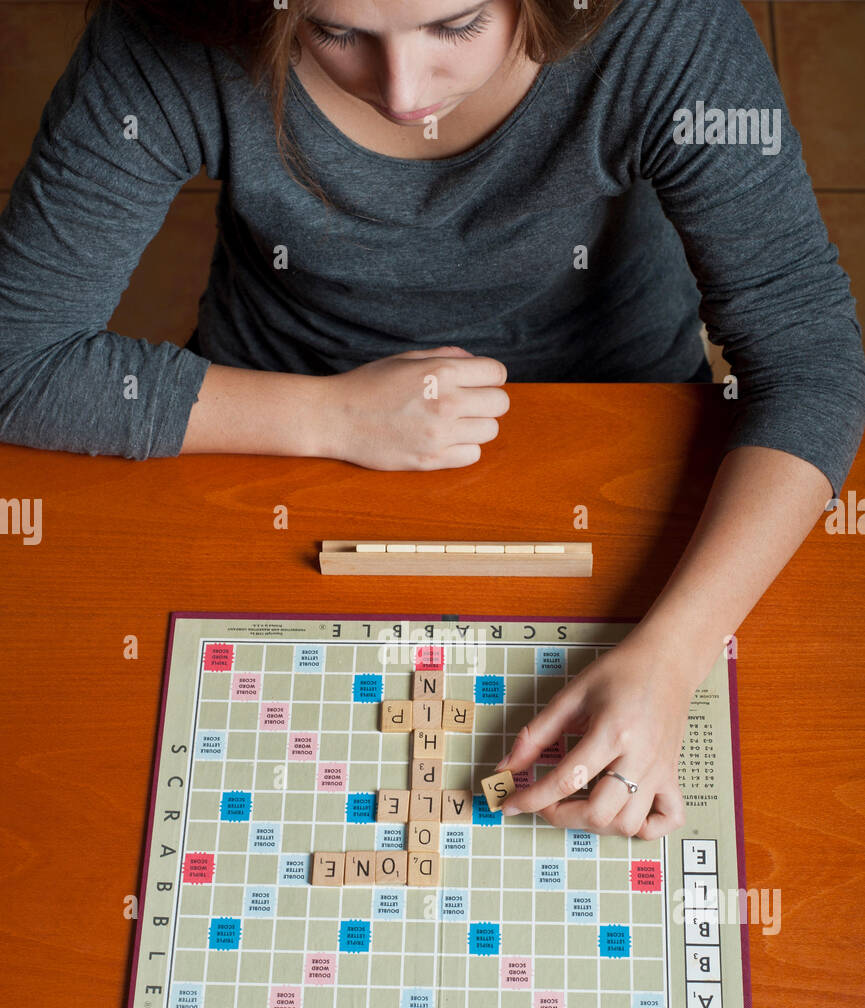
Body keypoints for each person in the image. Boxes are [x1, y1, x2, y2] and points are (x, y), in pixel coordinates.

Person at [1, 0, 862, 839]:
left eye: (455, 26)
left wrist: (675, 653)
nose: (405, 93)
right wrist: (330, 416)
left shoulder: (665, 25)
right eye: (333, 31)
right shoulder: (179, 24)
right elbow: (17, 358)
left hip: (615, 423)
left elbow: (810, 360)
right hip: (271, 428)